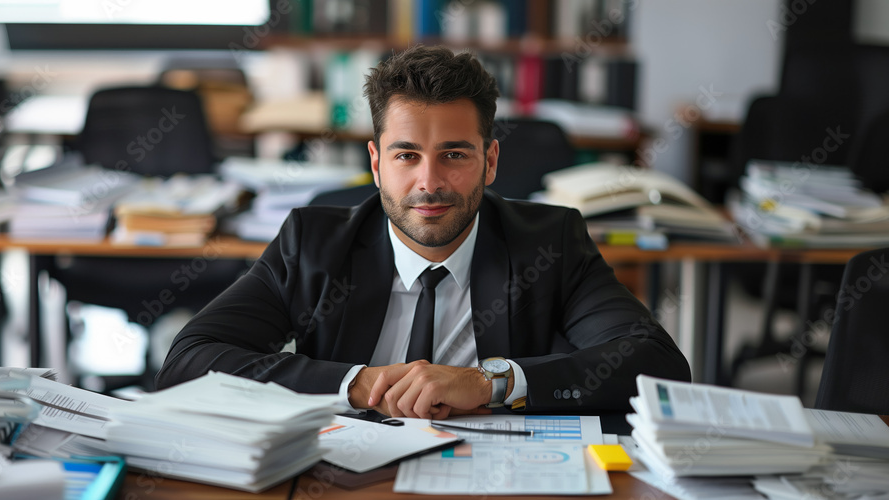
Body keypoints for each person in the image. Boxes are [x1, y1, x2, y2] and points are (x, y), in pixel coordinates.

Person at [156, 45, 690, 418]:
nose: (429, 182)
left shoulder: (549, 241)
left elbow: (656, 365)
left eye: (454, 154)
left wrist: (491, 382)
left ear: (490, 161)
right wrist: (357, 383)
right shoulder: (311, 242)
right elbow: (188, 361)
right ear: (375, 163)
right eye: (406, 155)